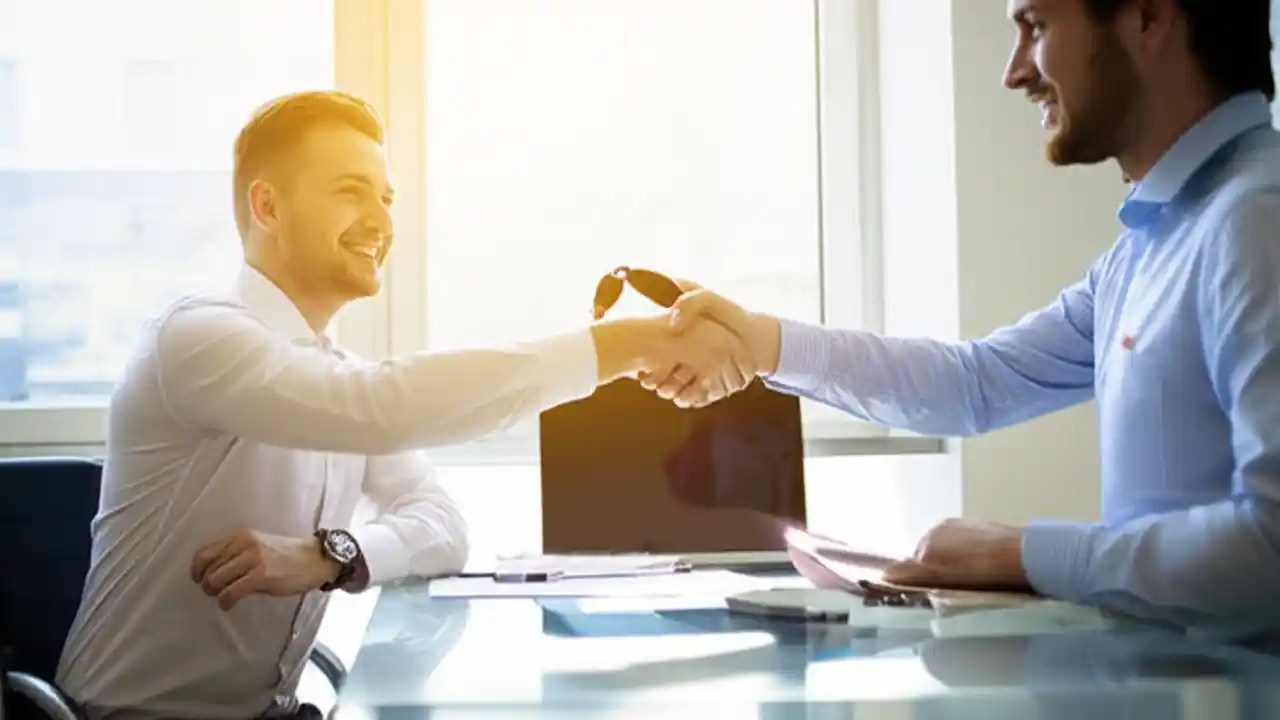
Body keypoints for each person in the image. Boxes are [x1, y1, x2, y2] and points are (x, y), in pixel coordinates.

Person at [55, 90, 756, 719]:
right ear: (268, 206)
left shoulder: (332, 377)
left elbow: (443, 525)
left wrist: (333, 554)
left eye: (387, 198)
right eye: (351, 191)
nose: (380, 220)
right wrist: (625, 345)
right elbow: (378, 408)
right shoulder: (200, 338)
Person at [658, 0, 1280, 628]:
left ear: (1148, 18)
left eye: (1035, 27)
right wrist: (761, 344)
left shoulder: (1258, 220)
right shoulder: (1156, 243)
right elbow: (974, 382)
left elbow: (1273, 548)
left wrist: (1022, 554)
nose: (1013, 72)